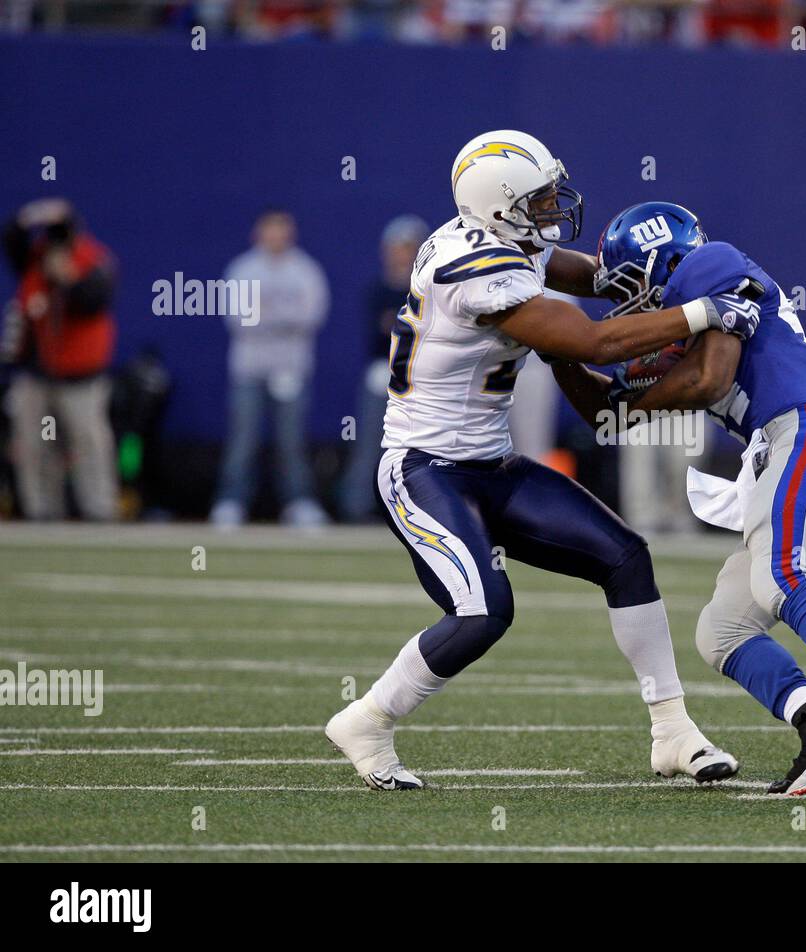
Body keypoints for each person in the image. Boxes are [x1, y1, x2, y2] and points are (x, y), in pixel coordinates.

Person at [325, 132, 751, 790]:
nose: (555, 207)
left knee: (624, 555)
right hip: (422, 470)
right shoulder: (476, 272)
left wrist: (635, 275)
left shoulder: (500, 236)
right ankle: (367, 719)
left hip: (491, 466)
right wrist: (702, 311)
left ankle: (673, 732)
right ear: (500, 207)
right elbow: (594, 342)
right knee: (482, 612)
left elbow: (575, 270)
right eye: (541, 197)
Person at [560, 200, 806, 799]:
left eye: (632, 285)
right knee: (721, 631)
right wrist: (557, 352)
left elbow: (710, 380)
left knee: (783, 574)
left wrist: (618, 371)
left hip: (802, 431)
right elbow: (608, 412)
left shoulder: (710, 262)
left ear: (663, 263)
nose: (632, 303)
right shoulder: (688, 328)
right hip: (791, 455)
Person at [210, 209, 330, 529]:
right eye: (270, 230)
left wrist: (266, 313)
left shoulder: (305, 270)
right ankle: (231, 501)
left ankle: (299, 501)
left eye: (282, 230)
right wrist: (282, 317)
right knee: (243, 438)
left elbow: (311, 316)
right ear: (258, 233)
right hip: (249, 369)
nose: (276, 236)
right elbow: (238, 318)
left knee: (291, 440)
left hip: (292, 370)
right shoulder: (242, 269)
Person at [2, 198, 117, 521]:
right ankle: (42, 511)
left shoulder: (92, 260)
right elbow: (10, 239)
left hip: (81, 377)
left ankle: (99, 510)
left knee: (88, 443)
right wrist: (29, 215)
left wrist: (68, 280)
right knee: (36, 445)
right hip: (37, 374)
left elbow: (95, 300)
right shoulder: (35, 258)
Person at [338, 214, 428, 523]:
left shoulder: (426, 287)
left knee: (417, 448)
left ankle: (413, 507)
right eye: (398, 247)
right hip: (383, 372)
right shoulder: (379, 288)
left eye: (409, 247)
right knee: (370, 443)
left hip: (419, 376)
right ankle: (356, 505)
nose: (403, 254)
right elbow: (386, 331)